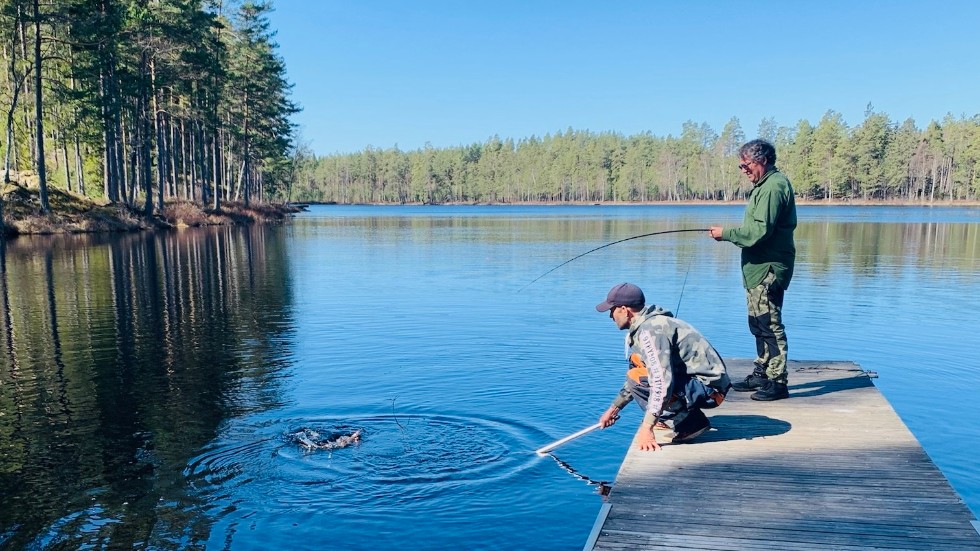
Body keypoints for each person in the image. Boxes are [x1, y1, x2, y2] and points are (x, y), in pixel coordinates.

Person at [709, 139, 797, 401]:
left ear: (763, 161)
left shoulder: (773, 187)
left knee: (770, 325)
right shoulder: (764, 186)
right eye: (741, 165)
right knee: (758, 323)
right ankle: (763, 373)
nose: (743, 169)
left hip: (768, 268)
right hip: (757, 268)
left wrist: (726, 234)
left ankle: (778, 382)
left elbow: (759, 232)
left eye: (746, 164)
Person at [596, 283, 731, 451]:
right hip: (697, 383)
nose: (610, 316)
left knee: (637, 378)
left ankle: (690, 422)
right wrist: (615, 408)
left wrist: (647, 428)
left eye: (612, 310)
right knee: (637, 364)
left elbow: (660, 382)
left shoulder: (650, 332)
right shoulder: (648, 325)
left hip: (710, 390)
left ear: (624, 309)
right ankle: (668, 416)